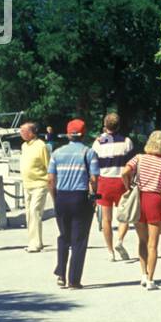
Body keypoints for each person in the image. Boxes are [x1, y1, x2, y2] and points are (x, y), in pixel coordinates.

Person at [47, 118, 99, 289]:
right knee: (79, 239)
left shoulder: (57, 153)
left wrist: (55, 198)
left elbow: (51, 180)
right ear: (83, 134)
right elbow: (93, 178)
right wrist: (93, 197)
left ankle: (60, 274)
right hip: (80, 197)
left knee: (64, 236)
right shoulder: (89, 153)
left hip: (62, 197)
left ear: (68, 134)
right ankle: (74, 279)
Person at [121, 130, 161, 289]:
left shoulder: (139, 158)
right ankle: (151, 279)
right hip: (155, 200)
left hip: (140, 199)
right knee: (153, 244)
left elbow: (125, 172)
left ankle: (143, 274)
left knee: (142, 241)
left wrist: (128, 186)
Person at [93, 113, 133, 261]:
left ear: (105, 125)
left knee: (106, 219)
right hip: (121, 181)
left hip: (104, 181)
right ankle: (120, 240)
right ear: (119, 125)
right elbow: (131, 165)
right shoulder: (127, 141)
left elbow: (94, 164)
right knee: (124, 216)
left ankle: (110, 251)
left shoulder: (99, 143)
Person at [18, 121, 52, 252]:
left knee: (34, 211)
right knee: (29, 214)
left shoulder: (41, 146)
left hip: (40, 184)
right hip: (27, 185)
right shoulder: (24, 146)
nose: (20, 132)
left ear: (31, 133)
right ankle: (34, 241)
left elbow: (48, 165)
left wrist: (51, 184)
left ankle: (35, 244)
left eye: (23, 130)